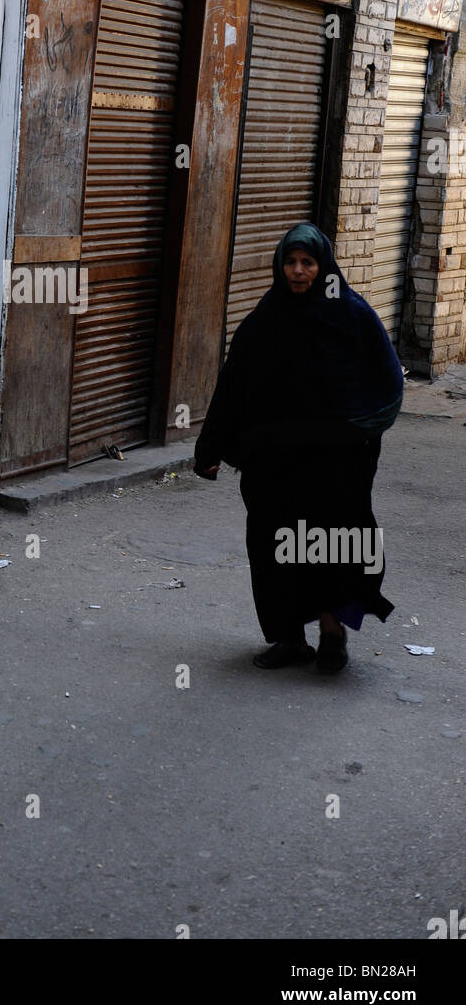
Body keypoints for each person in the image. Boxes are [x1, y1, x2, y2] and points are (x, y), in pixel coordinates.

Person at [194, 223, 403, 673]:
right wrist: (209, 448)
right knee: (273, 548)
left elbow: (387, 381)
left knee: (329, 546)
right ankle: (289, 639)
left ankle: (333, 637)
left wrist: (360, 432)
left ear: (323, 266)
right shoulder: (265, 322)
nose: (298, 271)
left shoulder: (351, 316)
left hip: (335, 467)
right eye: (290, 262)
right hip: (274, 467)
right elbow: (232, 389)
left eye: (308, 262)